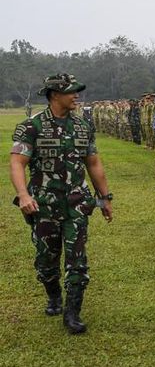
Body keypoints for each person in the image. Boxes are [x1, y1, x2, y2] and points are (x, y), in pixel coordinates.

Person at [10, 74, 113, 334]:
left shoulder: (83, 126)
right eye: (71, 91)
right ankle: (54, 295)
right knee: (47, 260)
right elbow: (17, 163)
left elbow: (93, 163)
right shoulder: (31, 127)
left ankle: (72, 313)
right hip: (43, 205)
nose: (76, 95)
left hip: (77, 203)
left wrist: (105, 198)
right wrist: (24, 195)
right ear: (54, 94)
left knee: (77, 259)